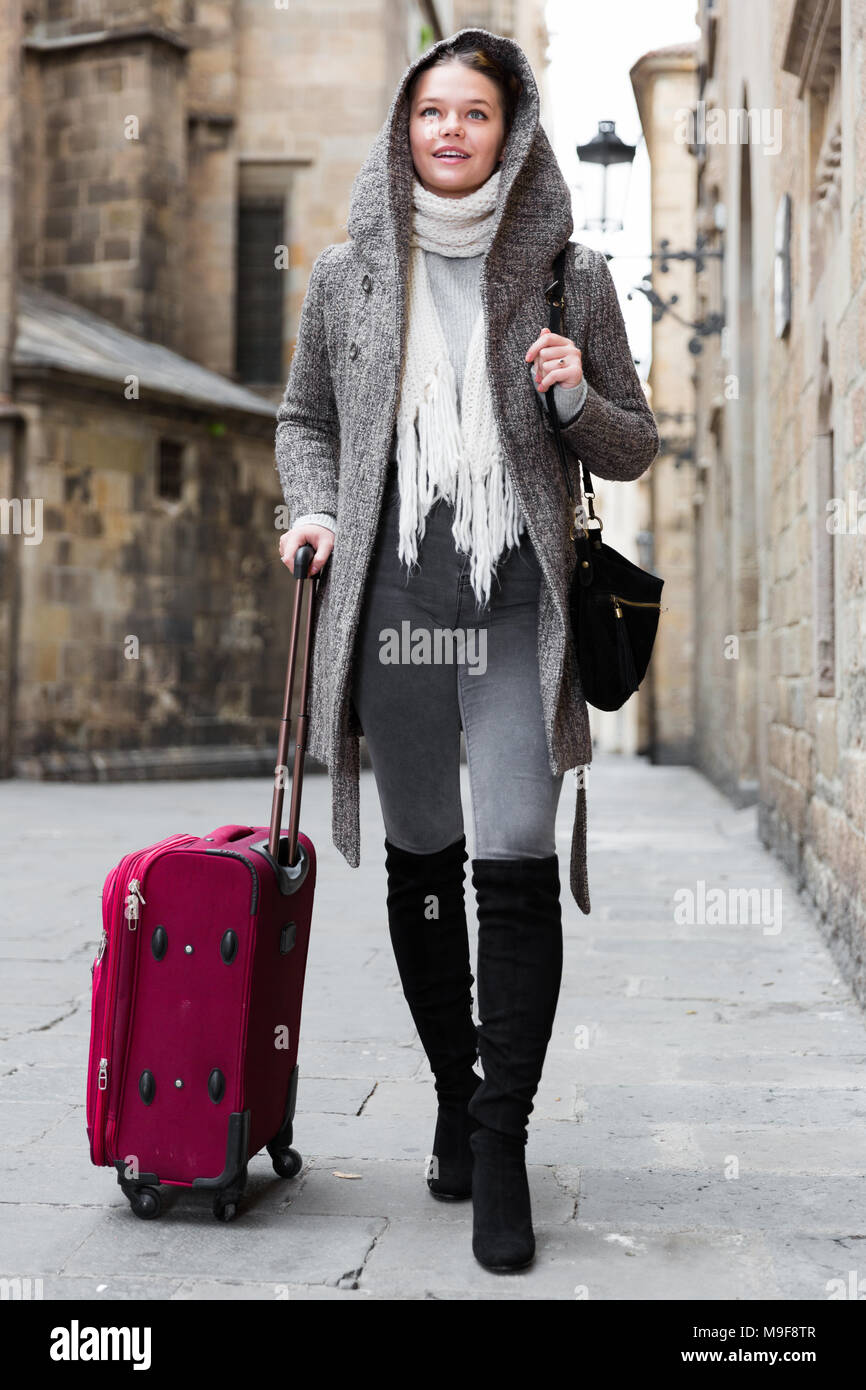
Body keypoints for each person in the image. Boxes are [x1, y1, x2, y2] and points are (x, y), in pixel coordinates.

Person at [276, 28, 659, 1273]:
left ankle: (500, 1143)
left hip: (512, 607)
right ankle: (453, 1088)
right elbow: (305, 422)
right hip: (387, 606)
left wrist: (571, 398)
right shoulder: (346, 275)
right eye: (430, 112)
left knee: (511, 854)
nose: (450, 131)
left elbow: (631, 444)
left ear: (511, 130)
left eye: (474, 114)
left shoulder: (567, 274)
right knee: (422, 857)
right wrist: (314, 508)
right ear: (405, 128)